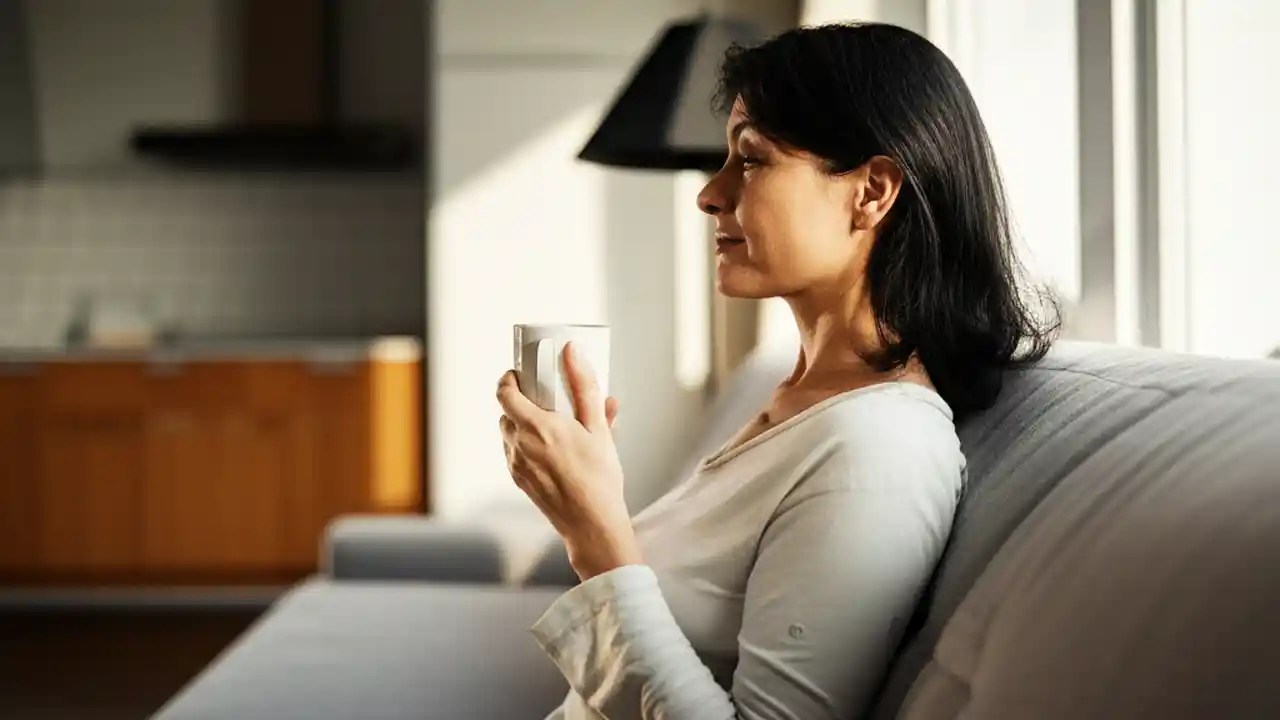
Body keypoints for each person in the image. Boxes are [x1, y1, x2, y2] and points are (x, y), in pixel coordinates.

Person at [496, 22, 1059, 720]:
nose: (710, 193)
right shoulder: (802, 402)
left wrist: (593, 532)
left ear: (872, 192)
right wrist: (591, 490)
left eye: (752, 159)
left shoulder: (881, 448)